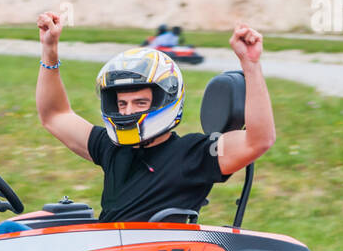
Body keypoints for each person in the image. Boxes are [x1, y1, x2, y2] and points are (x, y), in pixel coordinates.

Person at [35, 12, 276, 222]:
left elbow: (258, 140)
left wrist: (251, 65)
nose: (128, 112)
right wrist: (49, 51)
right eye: (122, 103)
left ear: (164, 101)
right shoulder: (111, 148)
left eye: (140, 102)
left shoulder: (192, 155)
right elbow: (55, 115)